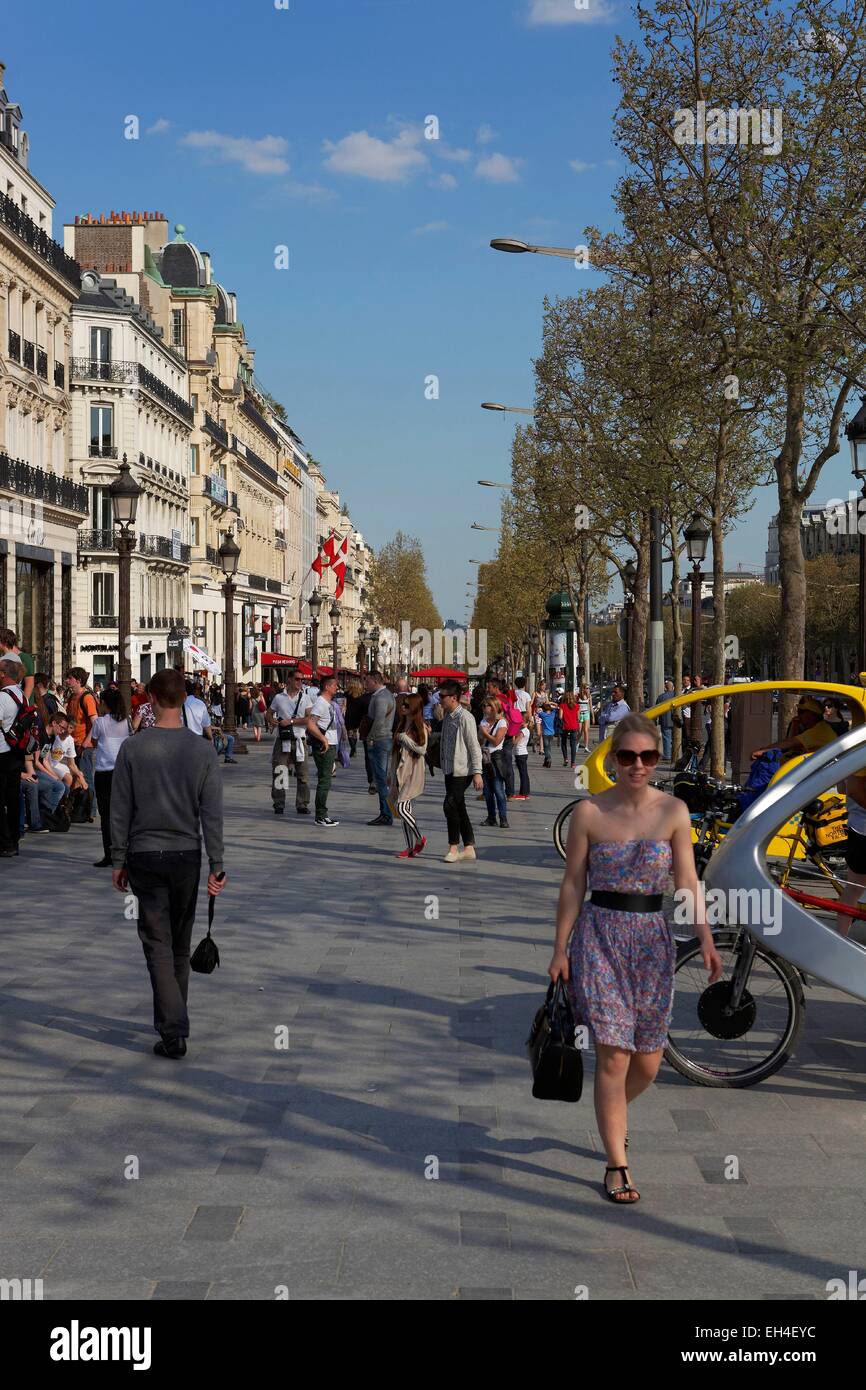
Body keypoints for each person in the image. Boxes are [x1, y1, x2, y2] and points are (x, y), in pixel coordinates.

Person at [549, 714, 722, 1203]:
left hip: (651, 940)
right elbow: (572, 885)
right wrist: (559, 948)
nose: (638, 765)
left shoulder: (674, 811)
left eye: (648, 756)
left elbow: (687, 881)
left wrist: (705, 937)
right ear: (613, 759)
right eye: (628, 756)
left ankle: (612, 1114)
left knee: (646, 1062)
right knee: (613, 1056)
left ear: (658, 758)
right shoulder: (588, 813)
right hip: (599, 936)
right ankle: (616, 1163)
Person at [111, 667, 227, 1059]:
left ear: (152, 699)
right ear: (184, 698)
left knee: (156, 942)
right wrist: (217, 863)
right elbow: (212, 813)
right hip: (186, 854)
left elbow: (119, 808)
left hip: (145, 852)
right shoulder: (203, 751)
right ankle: (175, 1024)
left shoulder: (133, 747)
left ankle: (173, 1029)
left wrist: (117, 858)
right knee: (179, 942)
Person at [439, 679, 483, 861]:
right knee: (458, 806)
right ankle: (470, 846)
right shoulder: (447, 717)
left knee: (449, 805)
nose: (440, 699)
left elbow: (474, 746)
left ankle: (453, 848)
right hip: (449, 769)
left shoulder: (466, 718)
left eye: (443, 696)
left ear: (454, 698)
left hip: (463, 770)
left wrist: (477, 772)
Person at [91, 688, 132, 867]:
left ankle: (109, 854)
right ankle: (126, 853)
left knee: (106, 816)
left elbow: (93, 741)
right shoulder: (126, 721)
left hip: (104, 772)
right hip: (123, 772)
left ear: (105, 704)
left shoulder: (100, 722)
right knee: (124, 814)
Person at [389, 693, 428, 858]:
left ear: (413, 707)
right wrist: (390, 775)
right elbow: (395, 754)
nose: (402, 707)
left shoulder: (420, 727)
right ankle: (410, 847)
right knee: (406, 810)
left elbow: (422, 749)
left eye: (406, 705)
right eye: (402, 704)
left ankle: (420, 838)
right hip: (400, 771)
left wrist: (405, 739)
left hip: (413, 772)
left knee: (400, 807)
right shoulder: (402, 724)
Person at [269, 671, 312, 815]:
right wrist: (272, 720)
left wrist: (291, 721)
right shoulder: (279, 697)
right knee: (280, 772)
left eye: (302, 679)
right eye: (297, 679)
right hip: (282, 739)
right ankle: (279, 803)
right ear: (289, 680)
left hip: (300, 739)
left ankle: (302, 803)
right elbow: (269, 712)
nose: (300, 682)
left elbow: (309, 719)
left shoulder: (305, 698)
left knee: (303, 774)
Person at [752, 695, 837, 764]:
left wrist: (763, 751)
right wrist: (795, 725)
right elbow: (794, 747)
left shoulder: (818, 731)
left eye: (801, 712)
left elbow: (790, 743)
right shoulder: (817, 728)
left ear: (810, 715)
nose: (799, 715)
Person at [0, 656, 28, 855]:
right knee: (12, 798)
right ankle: (14, 841)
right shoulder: (21, 694)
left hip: (2, 751)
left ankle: (5, 843)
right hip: (16, 752)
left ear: (3, 675)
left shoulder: (2, 697)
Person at [306, 673, 340, 827]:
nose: (337, 687)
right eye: (334, 685)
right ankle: (321, 815)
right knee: (324, 780)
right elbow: (311, 724)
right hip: (324, 745)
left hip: (330, 744)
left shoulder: (327, 703)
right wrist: (323, 739)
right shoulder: (321, 703)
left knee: (326, 779)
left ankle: (322, 814)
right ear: (327, 687)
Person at [65, 667, 98, 820]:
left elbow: (95, 723)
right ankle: (78, 809)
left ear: (78, 680)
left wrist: (85, 743)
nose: (67, 681)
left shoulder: (87, 698)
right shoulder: (72, 697)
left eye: (69, 678)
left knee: (86, 779)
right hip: (73, 744)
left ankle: (89, 812)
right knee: (76, 777)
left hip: (85, 746)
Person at [365, 670, 396, 827]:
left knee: (381, 779)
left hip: (380, 739)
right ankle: (385, 813)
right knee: (381, 778)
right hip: (383, 738)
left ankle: (386, 814)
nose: (366, 684)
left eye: (368, 681)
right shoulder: (385, 695)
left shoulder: (382, 697)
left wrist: (370, 737)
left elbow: (378, 721)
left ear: (375, 681)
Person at [479, 697, 509, 828]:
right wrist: (481, 735)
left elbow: (496, 741)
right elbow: (479, 741)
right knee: (487, 791)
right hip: (484, 757)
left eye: (488, 705)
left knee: (498, 789)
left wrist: (484, 733)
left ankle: (503, 818)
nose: (485, 708)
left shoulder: (502, 722)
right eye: (484, 705)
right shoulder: (483, 721)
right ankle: (491, 817)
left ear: (494, 707)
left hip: (496, 758)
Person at [558, 691, 580, 768]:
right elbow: (578, 718)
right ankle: (573, 763)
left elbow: (560, 717)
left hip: (565, 726)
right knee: (573, 744)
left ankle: (566, 759)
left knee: (563, 742)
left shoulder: (562, 706)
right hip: (574, 726)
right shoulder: (577, 706)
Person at [655, 678, 675, 761]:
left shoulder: (661, 697)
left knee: (666, 738)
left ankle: (667, 755)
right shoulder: (676, 695)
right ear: (673, 687)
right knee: (676, 739)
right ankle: (676, 754)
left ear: (665, 688)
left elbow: (656, 710)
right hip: (676, 721)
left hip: (665, 720)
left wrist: (655, 720)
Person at [513, 714, 531, 799]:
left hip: (520, 753)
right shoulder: (526, 730)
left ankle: (523, 793)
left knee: (523, 774)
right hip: (523, 753)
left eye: (522, 721)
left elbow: (516, 742)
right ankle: (526, 792)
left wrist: (513, 736)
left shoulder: (522, 731)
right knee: (524, 773)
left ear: (526, 722)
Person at [539, 702, 557, 767]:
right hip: (552, 733)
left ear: (544, 709)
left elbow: (538, 712)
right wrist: (551, 703)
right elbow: (557, 706)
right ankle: (546, 761)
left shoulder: (543, 714)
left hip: (545, 733)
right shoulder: (553, 714)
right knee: (549, 747)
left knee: (546, 748)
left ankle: (549, 759)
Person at [577, 683, 593, 753]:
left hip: (586, 713)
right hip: (580, 714)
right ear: (583, 689)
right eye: (586, 688)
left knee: (586, 731)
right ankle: (576, 743)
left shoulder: (589, 696)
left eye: (588, 688)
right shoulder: (578, 696)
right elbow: (576, 707)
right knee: (580, 731)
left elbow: (590, 706)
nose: (587, 689)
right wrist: (577, 715)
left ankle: (586, 747)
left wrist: (592, 716)